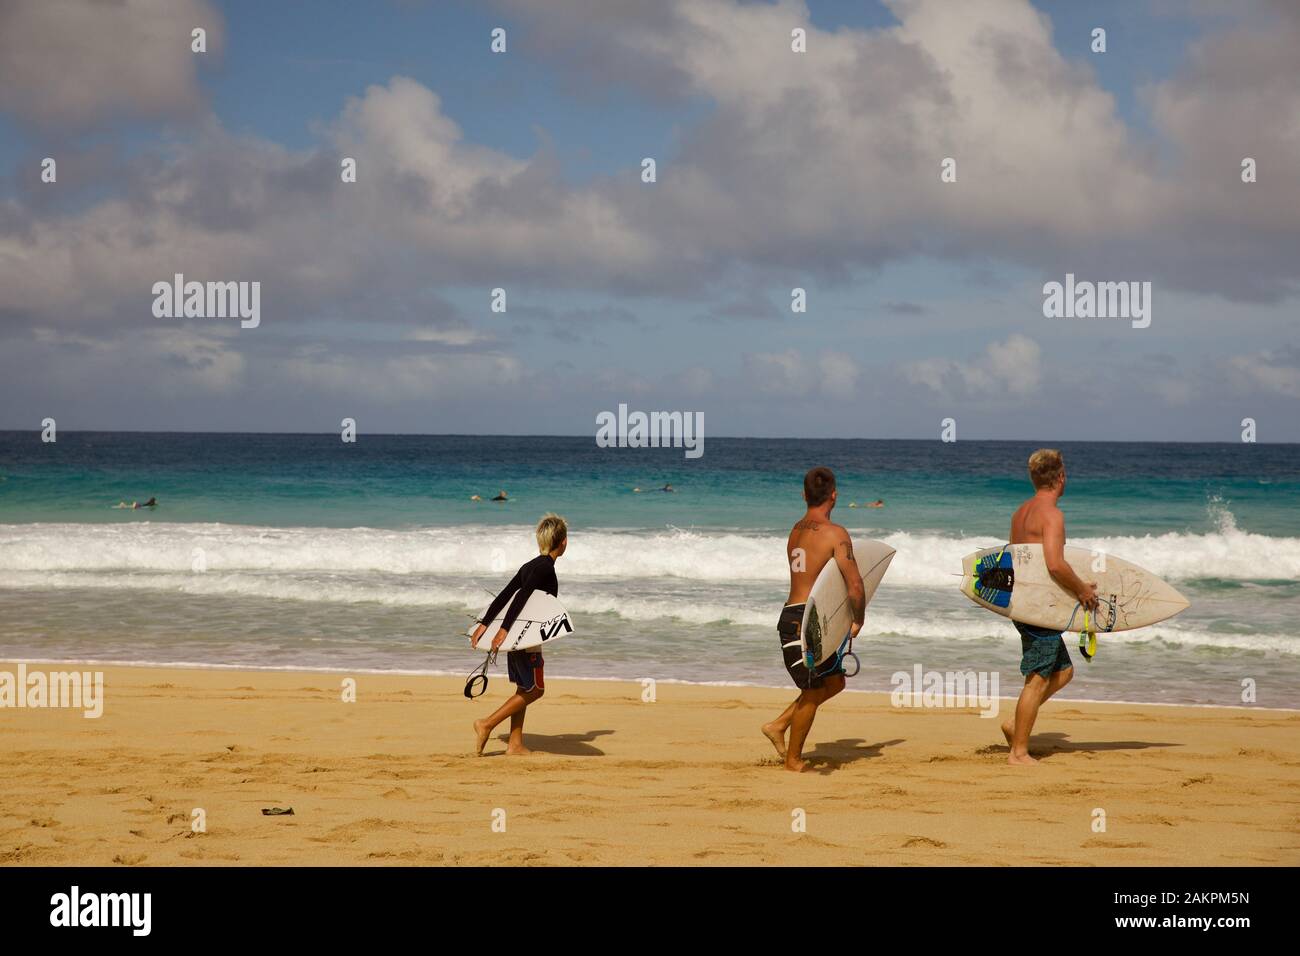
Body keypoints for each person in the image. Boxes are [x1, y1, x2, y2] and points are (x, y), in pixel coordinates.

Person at [762, 467, 864, 772]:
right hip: (804, 624)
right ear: (834, 495)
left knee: (834, 682)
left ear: (804, 495)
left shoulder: (796, 529)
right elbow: (855, 585)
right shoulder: (836, 534)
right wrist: (857, 618)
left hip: (797, 616)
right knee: (811, 692)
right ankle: (793, 760)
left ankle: (778, 725)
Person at [1002, 449, 1098, 766]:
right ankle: (1018, 752)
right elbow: (1055, 565)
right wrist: (1082, 589)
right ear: (1060, 477)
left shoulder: (1020, 513)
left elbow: (1016, 559)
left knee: (1064, 671)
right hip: (1039, 609)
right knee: (1038, 678)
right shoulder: (1051, 516)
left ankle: (1016, 726)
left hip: (1022, 602)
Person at [469, 514, 568, 756]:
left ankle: (515, 744)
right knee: (535, 690)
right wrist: (501, 630)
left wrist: (485, 623)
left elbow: (505, 595)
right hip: (524, 639)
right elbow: (521, 597)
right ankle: (487, 724)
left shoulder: (530, 565)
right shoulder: (545, 568)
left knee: (523, 689)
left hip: (517, 637)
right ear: (563, 542)